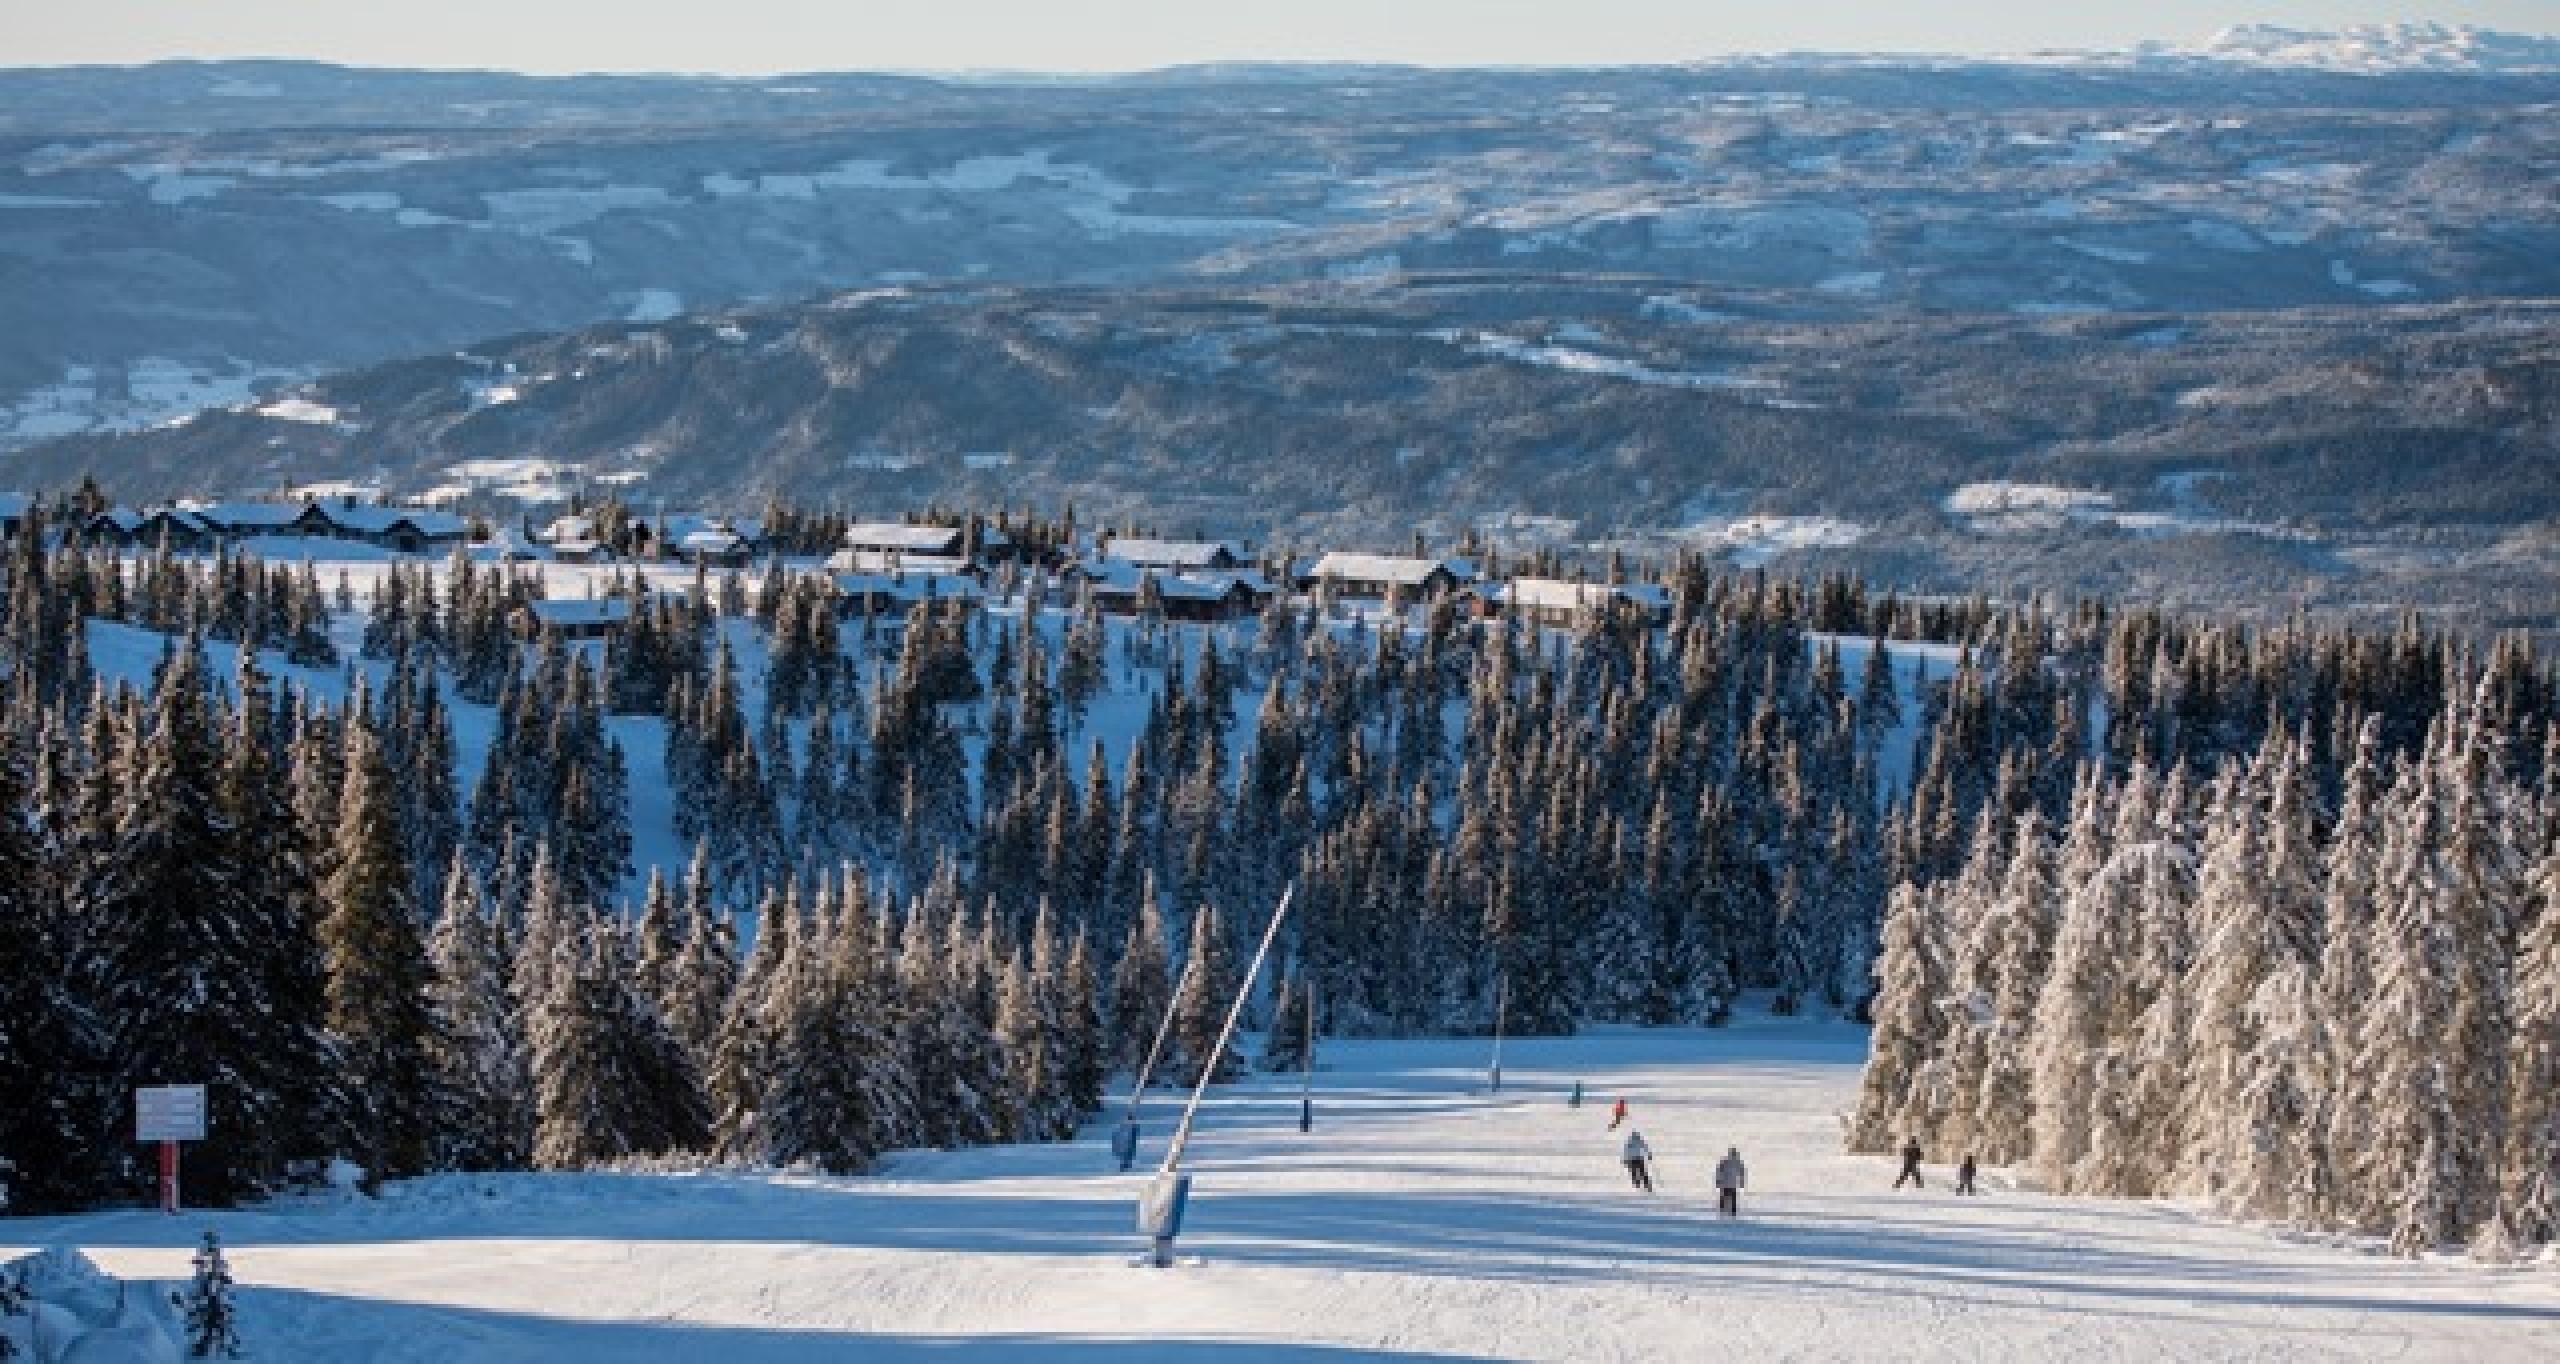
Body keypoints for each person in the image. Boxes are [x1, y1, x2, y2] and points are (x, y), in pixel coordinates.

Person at [1714, 1146, 1746, 1218]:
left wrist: (1718, 1180)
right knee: (1730, 1197)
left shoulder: (1728, 1161)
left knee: (1727, 1197)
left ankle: (1725, 1210)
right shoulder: (1736, 1162)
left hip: (1728, 1183)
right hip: (1729, 1183)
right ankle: (1729, 1211)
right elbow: (1742, 1173)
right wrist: (1742, 1182)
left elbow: (1719, 1171)